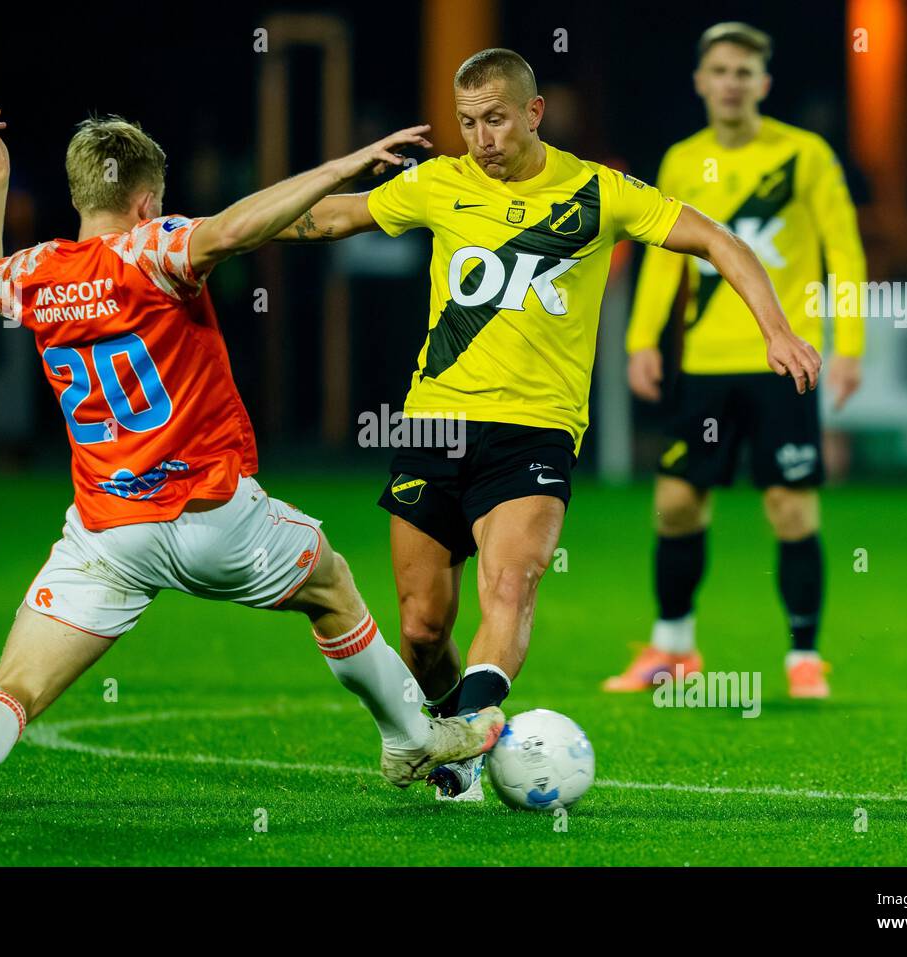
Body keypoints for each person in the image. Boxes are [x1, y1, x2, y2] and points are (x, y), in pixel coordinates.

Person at [0, 110, 503, 826]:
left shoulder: (39, 272)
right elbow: (235, 230)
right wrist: (341, 165)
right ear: (147, 201)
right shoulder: (152, 249)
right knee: (332, 586)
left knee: (16, 685)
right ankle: (411, 738)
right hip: (217, 519)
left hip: (109, 535)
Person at [277, 48, 821, 799]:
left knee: (511, 585)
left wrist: (777, 330)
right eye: (467, 122)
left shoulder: (598, 192)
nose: (481, 138)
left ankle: (461, 759)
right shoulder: (439, 183)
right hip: (434, 425)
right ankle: (448, 730)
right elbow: (335, 217)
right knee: (423, 628)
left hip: (536, 430)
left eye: (495, 119)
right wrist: (218, 234)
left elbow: (721, 240)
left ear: (533, 112)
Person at [602, 23, 866, 698]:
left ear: (763, 83)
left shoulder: (804, 155)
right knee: (676, 505)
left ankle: (805, 656)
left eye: (744, 72)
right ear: (700, 81)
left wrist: (849, 347)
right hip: (705, 363)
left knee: (791, 510)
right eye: (720, 70)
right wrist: (642, 340)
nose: (731, 82)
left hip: (784, 361)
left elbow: (845, 251)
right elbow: (665, 255)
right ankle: (674, 648)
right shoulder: (683, 160)